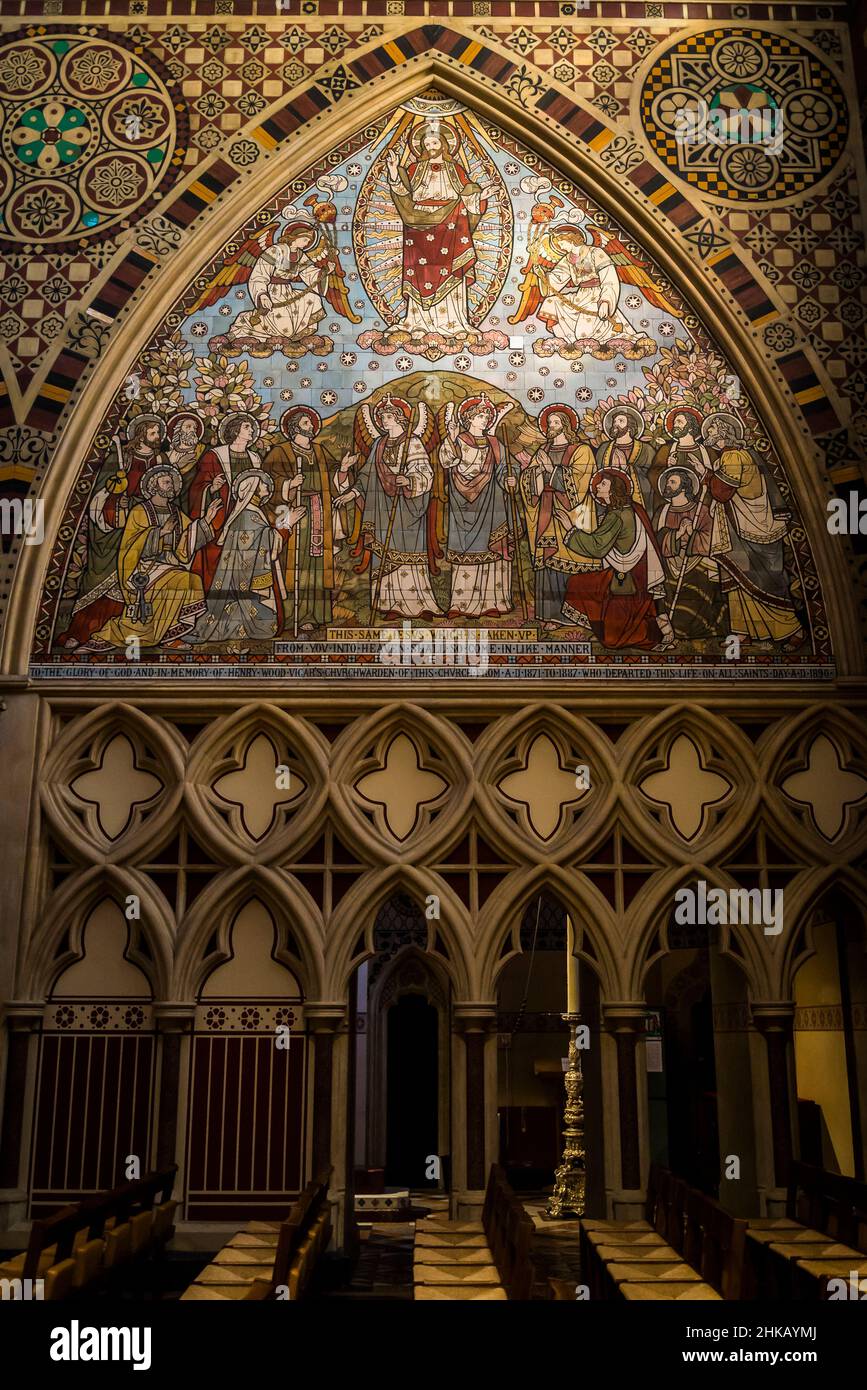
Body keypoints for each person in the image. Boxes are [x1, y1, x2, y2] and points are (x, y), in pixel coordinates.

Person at [59, 415, 170, 649]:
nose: (158, 437)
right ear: (140, 434)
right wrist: (113, 489)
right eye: (153, 433)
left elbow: (168, 491)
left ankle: (124, 632)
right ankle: (82, 632)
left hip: (145, 525)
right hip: (115, 527)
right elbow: (101, 492)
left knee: (136, 583)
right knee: (103, 578)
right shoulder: (123, 458)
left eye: (159, 433)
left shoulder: (161, 458)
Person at [81, 465, 220, 652]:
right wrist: (160, 533)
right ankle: (112, 634)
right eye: (166, 482)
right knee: (182, 580)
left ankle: (170, 634)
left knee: (191, 580)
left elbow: (188, 539)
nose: (171, 485)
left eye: (172, 482)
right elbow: (130, 545)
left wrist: (206, 520)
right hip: (143, 568)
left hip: (169, 565)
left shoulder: (176, 512)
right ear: (154, 486)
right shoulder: (140, 511)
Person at [700, 415, 805, 650]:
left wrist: (707, 477)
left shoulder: (734, 457)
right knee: (736, 580)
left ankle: (792, 630)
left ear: (724, 432)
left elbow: (722, 492)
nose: (709, 432)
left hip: (751, 530)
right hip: (736, 529)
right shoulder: (727, 458)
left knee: (763, 580)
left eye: (713, 428)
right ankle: (743, 632)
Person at [385, 119, 486, 337]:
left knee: (450, 271)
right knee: (419, 273)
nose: (430, 148)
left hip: (450, 226)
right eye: (426, 145)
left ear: (443, 144)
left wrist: (478, 197)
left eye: (434, 144)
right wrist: (394, 171)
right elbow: (402, 193)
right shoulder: (414, 169)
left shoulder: (455, 169)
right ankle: (418, 322)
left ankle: (454, 323)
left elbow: (468, 194)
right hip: (417, 227)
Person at [263, 406, 355, 633]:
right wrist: (289, 485)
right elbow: (266, 483)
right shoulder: (279, 451)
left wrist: (342, 470)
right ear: (295, 427)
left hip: (319, 513)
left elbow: (335, 478)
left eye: (311, 423)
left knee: (317, 565)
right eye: (306, 423)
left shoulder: (319, 450)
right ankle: (294, 614)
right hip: (294, 515)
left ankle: (318, 614)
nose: (311, 426)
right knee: (296, 564)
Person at [189, 471, 304, 646]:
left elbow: (262, 539)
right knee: (266, 627)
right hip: (243, 580)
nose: (266, 486)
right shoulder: (248, 516)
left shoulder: (251, 513)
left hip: (241, 577)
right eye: (262, 484)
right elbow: (267, 539)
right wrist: (288, 523)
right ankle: (239, 624)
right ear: (252, 490)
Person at [561, 469, 671, 650]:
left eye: (603, 484)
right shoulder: (631, 508)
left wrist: (569, 530)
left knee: (577, 584)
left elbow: (597, 547)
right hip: (637, 576)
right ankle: (606, 630)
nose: (597, 485)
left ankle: (648, 634)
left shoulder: (616, 515)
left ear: (613, 490)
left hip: (627, 579)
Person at [353, 395, 441, 619]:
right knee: (384, 554)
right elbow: (367, 474)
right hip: (383, 507)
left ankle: (419, 605)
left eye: (388, 416)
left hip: (407, 506)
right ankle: (389, 604)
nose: (384, 420)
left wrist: (409, 480)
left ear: (400, 419)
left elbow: (426, 473)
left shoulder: (413, 442)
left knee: (410, 554)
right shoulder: (379, 444)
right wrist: (353, 491)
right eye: (381, 417)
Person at [519, 404, 597, 628]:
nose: (550, 426)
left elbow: (582, 481)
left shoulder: (581, 450)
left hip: (572, 513)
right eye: (549, 422)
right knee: (548, 561)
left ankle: (573, 615)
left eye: (555, 422)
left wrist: (550, 470)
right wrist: (534, 474)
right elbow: (530, 478)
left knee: (570, 557)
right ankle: (551, 616)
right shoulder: (543, 449)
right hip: (546, 511)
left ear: (566, 425)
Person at [439, 394, 513, 618]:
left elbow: (504, 469)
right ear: (469, 418)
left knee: (491, 552)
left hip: (491, 503)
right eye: (480, 416)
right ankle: (460, 605)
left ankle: (493, 603)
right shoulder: (459, 440)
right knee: (466, 553)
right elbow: (446, 461)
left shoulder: (495, 443)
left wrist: (511, 479)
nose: (485, 420)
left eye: (487, 416)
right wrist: (451, 438)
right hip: (463, 506)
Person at [187, 413, 263, 592]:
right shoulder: (214, 456)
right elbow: (196, 488)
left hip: (247, 520)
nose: (251, 430)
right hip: (220, 519)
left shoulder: (255, 459)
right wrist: (211, 488)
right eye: (247, 427)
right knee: (214, 562)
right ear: (236, 430)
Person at [653, 465, 726, 640]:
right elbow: (654, 539)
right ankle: (671, 630)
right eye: (667, 482)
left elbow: (710, 538)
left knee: (704, 580)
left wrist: (692, 536)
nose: (667, 485)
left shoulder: (701, 510)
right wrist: (676, 534)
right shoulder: (662, 511)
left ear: (684, 487)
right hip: (668, 562)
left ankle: (700, 628)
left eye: (672, 482)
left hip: (695, 562)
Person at [596, 406, 655, 511]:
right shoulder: (603, 449)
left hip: (637, 502)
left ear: (629, 427)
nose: (616, 424)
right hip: (609, 501)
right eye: (614, 421)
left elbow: (652, 477)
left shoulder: (646, 450)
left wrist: (627, 468)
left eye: (621, 421)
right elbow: (597, 474)